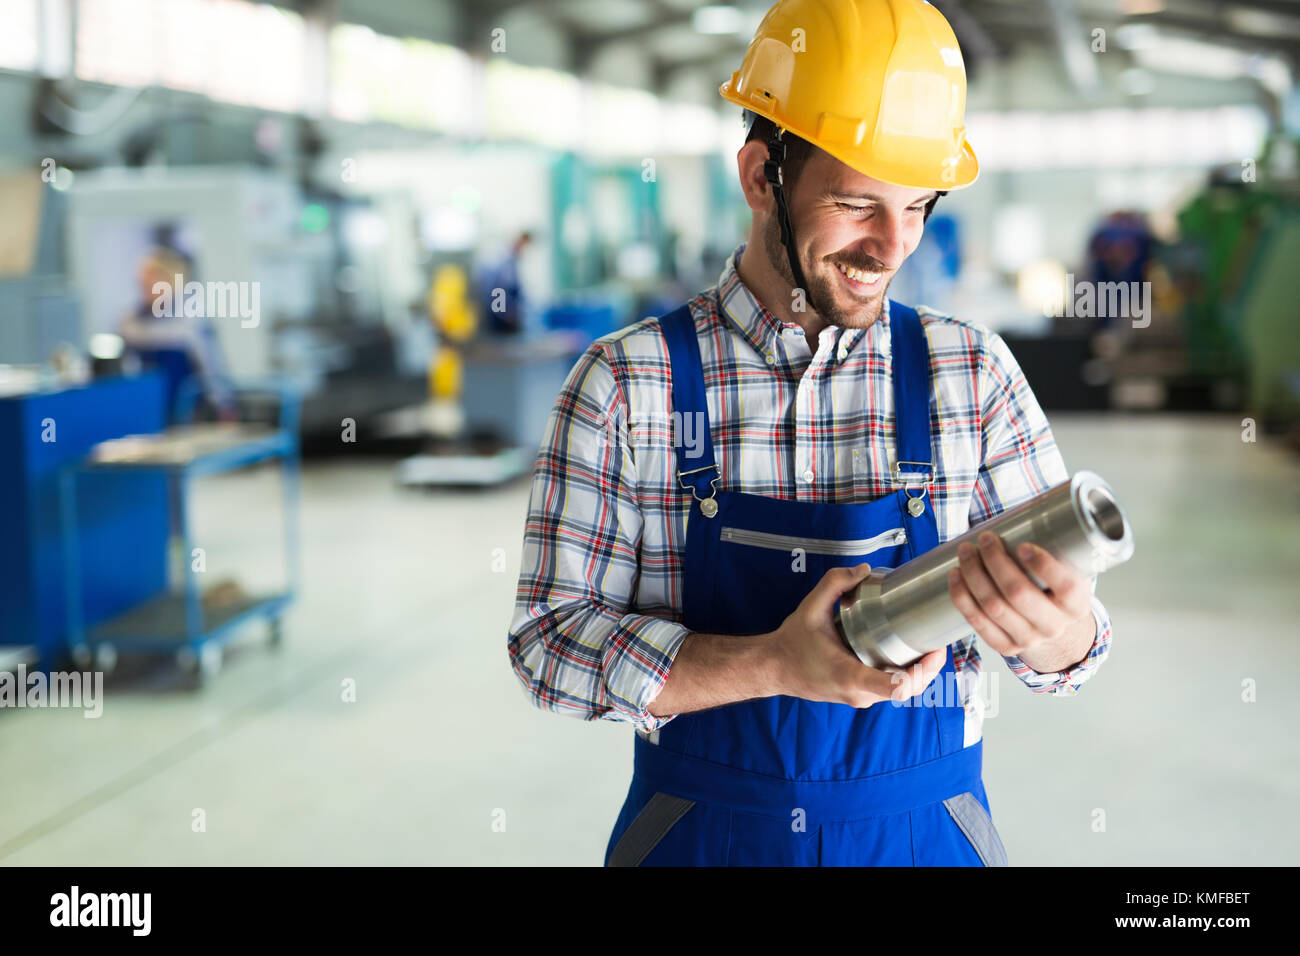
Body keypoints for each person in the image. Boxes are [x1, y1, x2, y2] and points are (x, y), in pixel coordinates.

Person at [508, 0, 1113, 867]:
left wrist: (1052, 625)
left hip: (923, 834)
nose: (892, 245)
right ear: (761, 175)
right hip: (705, 834)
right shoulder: (627, 384)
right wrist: (775, 664)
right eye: (856, 204)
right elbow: (549, 645)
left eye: (917, 207)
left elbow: (1074, 657)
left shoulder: (969, 374)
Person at [117, 247, 236, 422]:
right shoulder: (132, 318)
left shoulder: (192, 317)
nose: (145, 290)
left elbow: (212, 366)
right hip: (147, 406)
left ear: (168, 280)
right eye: (142, 285)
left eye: (149, 283)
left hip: (189, 409)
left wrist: (223, 405)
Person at [474, 231, 533, 336]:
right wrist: (505, 313)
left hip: (506, 314)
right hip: (501, 319)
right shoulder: (503, 262)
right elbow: (498, 289)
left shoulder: (512, 262)